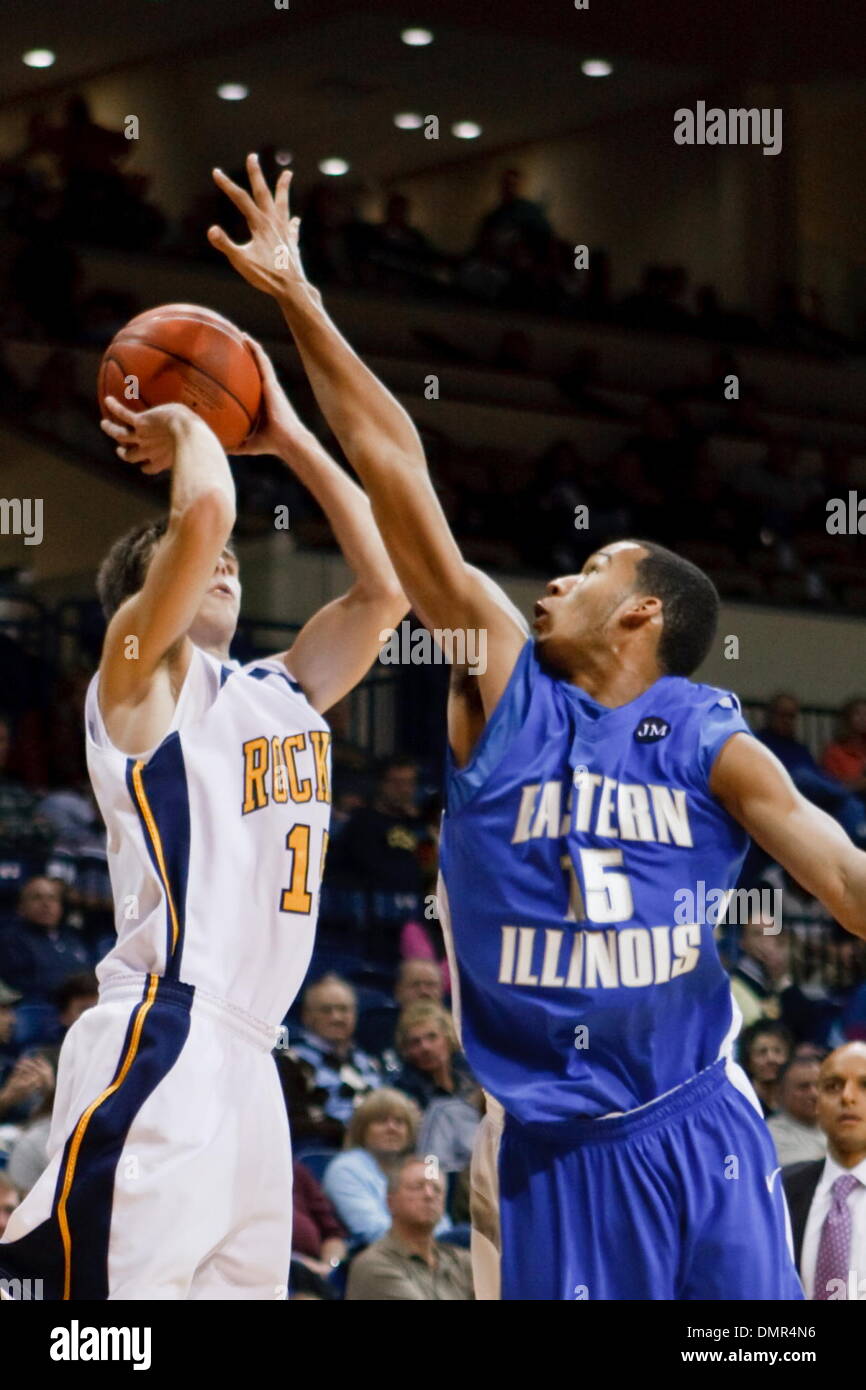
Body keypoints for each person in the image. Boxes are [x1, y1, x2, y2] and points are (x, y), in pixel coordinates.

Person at [209, 154, 866, 1301]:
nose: (553, 582)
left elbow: (849, 882)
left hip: (701, 1119)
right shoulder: (501, 684)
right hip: (557, 1150)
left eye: (586, 568)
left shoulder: (713, 736)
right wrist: (300, 303)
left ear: (644, 610)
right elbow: (402, 477)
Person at [0, 326, 406, 1299]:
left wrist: (288, 436)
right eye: (198, 555)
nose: (223, 560)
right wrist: (187, 421)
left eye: (228, 557)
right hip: (163, 1032)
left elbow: (386, 586)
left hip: (253, 1060)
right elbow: (208, 508)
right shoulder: (138, 677)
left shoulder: (279, 689)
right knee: (104, 1323)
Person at [782, 1042, 866, 1299]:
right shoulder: (781, 1190)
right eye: (833, 1086)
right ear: (817, 1102)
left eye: (865, 1086)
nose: (847, 1097)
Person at [323, 1088, 451, 1246]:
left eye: (399, 1122)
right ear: (362, 1129)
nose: (392, 1128)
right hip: (374, 1258)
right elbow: (371, 1229)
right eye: (381, 1121)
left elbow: (442, 1223)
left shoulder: (414, 1169)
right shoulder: (345, 1169)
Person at [346, 1155, 473, 1300]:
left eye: (437, 1189)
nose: (429, 1195)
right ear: (390, 1202)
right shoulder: (373, 1265)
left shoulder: (463, 1261)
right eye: (417, 1187)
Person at [287, 974, 381, 1128]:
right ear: (307, 1016)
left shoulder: (370, 1063)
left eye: (343, 1009)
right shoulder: (291, 1062)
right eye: (326, 1010)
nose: (336, 1017)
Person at [0, 877, 90, 1001]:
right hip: (38, 1009)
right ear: (21, 907)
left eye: (52, 898)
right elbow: (20, 983)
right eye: (37, 898)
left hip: (78, 1007)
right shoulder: (10, 939)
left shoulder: (72, 937)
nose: (46, 904)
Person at [392, 1002, 475, 1111]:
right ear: (407, 1050)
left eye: (432, 1037)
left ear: (448, 1038)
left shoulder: (471, 1077)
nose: (425, 1047)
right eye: (415, 1042)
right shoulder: (402, 1093)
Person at [768, 1057, 827, 1166]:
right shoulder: (769, 1136)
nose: (814, 1094)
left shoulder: (843, 1127)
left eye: (819, 1086)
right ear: (780, 1092)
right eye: (803, 1087)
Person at [739, 1020, 793, 1117]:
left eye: (778, 1051)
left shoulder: (796, 1103)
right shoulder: (740, 1102)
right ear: (748, 1060)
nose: (771, 1059)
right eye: (762, 1052)